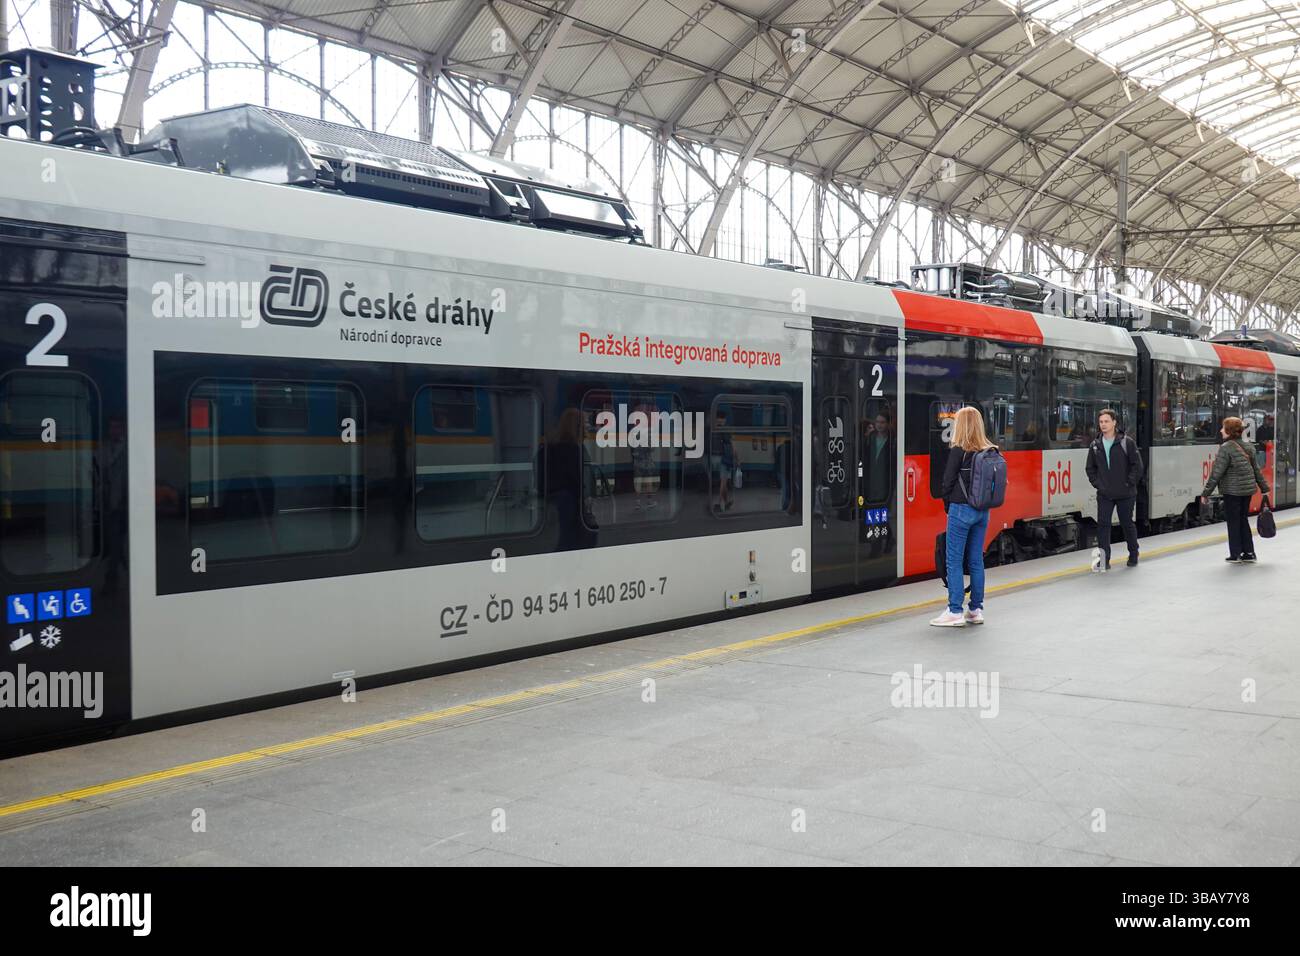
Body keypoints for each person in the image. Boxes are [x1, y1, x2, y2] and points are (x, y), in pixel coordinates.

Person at [930, 406, 994, 627]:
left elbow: (947, 482)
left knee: (954, 560)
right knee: (976, 560)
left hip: (961, 509)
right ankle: (975, 610)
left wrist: (949, 506)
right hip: (982, 511)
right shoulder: (989, 450)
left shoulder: (959, 450)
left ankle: (955, 610)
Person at [1201, 416, 1270, 564]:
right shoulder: (1248, 446)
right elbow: (1257, 470)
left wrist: (1206, 493)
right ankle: (1249, 553)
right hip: (1247, 491)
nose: (1220, 430)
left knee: (1233, 522)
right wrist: (1264, 488)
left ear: (1229, 431)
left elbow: (1216, 473)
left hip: (1232, 491)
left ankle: (1235, 554)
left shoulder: (1226, 448)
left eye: (1223, 427)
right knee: (1242, 519)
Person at [1085, 408, 1143, 571]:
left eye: (1106, 421)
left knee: (1127, 524)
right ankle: (1104, 561)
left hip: (1126, 493)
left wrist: (1129, 483)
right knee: (1103, 526)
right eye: (1101, 422)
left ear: (1114, 423)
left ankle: (1133, 554)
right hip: (1105, 494)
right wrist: (1099, 484)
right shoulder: (1095, 445)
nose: (1103, 425)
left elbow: (1137, 466)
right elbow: (1090, 468)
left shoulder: (1127, 442)